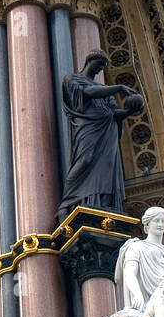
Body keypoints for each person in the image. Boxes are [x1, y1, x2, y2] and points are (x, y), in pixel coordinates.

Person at [57, 53, 142, 221]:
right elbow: (88, 92)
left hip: (107, 131)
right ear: (89, 60)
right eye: (99, 63)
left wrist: (129, 111)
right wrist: (118, 88)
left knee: (107, 166)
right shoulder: (72, 79)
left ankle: (101, 203)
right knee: (84, 160)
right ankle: (67, 203)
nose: (100, 68)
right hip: (88, 128)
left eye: (103, 66)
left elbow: (113, 111)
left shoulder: (104, 90)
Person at [115, 206, 164, 311]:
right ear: (147, 224)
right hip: (152, 300)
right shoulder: (136, 246)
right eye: (156, 221)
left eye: (163, 221)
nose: (160, 224)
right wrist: (137, 294)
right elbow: (129, 273)